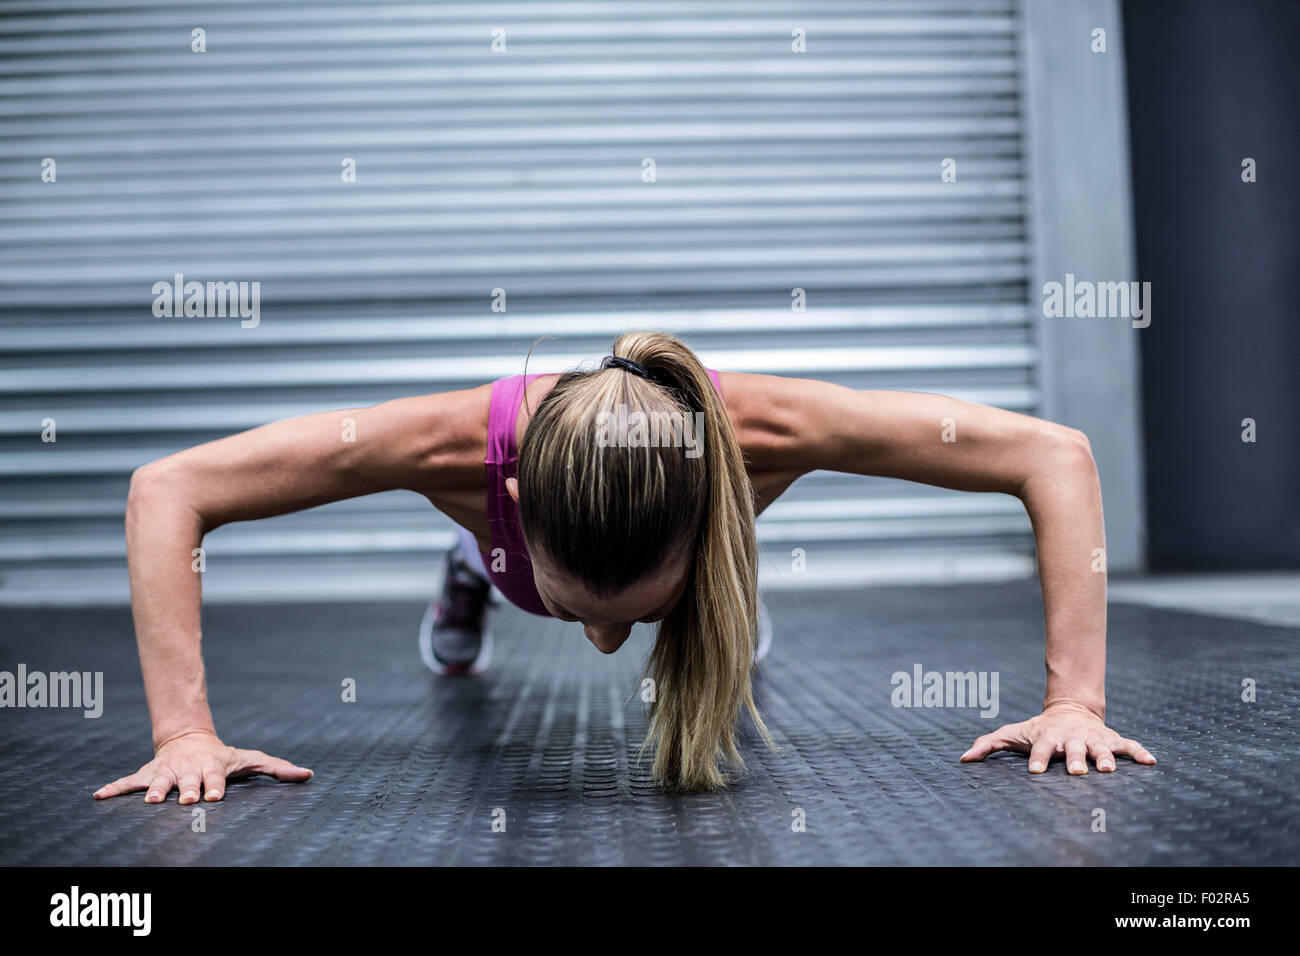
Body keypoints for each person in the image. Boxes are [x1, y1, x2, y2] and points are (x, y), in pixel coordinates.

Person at [94, 329, 1155, 802]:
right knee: (490, 564)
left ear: (712, 518)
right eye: (584, 610)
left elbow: (1049, 455)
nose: (604, 642)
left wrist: (1076, 700)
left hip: (682, 539)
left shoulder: (772, 434)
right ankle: (473, 569)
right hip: (498, 538)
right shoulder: (448, 452)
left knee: (677, 599)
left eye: (633, 614)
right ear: (514, 500)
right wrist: (185, 731)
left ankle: (663, 578)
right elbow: (168, 490)